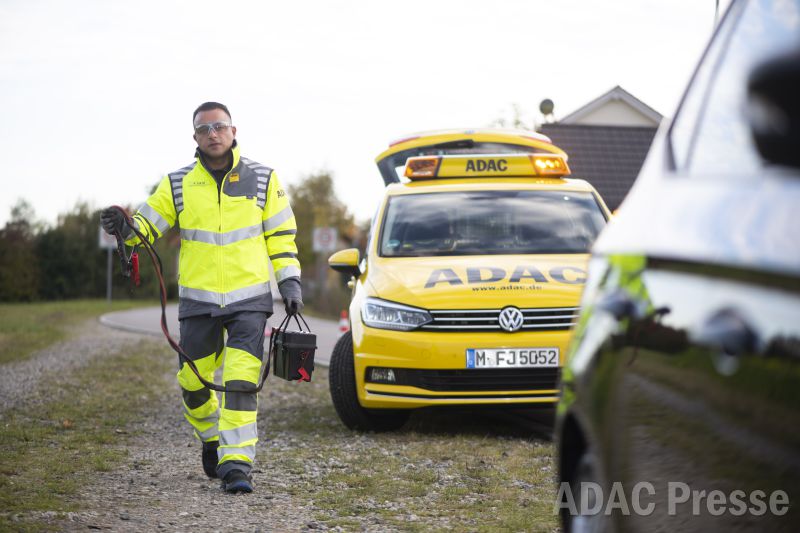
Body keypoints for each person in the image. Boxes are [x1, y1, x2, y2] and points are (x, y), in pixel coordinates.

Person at [101, 102, 303, 494]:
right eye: (204, 129)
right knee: (191, 383)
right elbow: (144, 229)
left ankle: (237, 465)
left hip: (249, 302)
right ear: (194, 136)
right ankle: (211, 437)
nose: (213, 134)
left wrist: (290, 284)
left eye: (220, 126)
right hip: (198, 303)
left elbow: (281, 237)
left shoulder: (264, 178)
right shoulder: (178, 183)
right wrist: (123, 227)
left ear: (233, 131)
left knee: (241, 381)